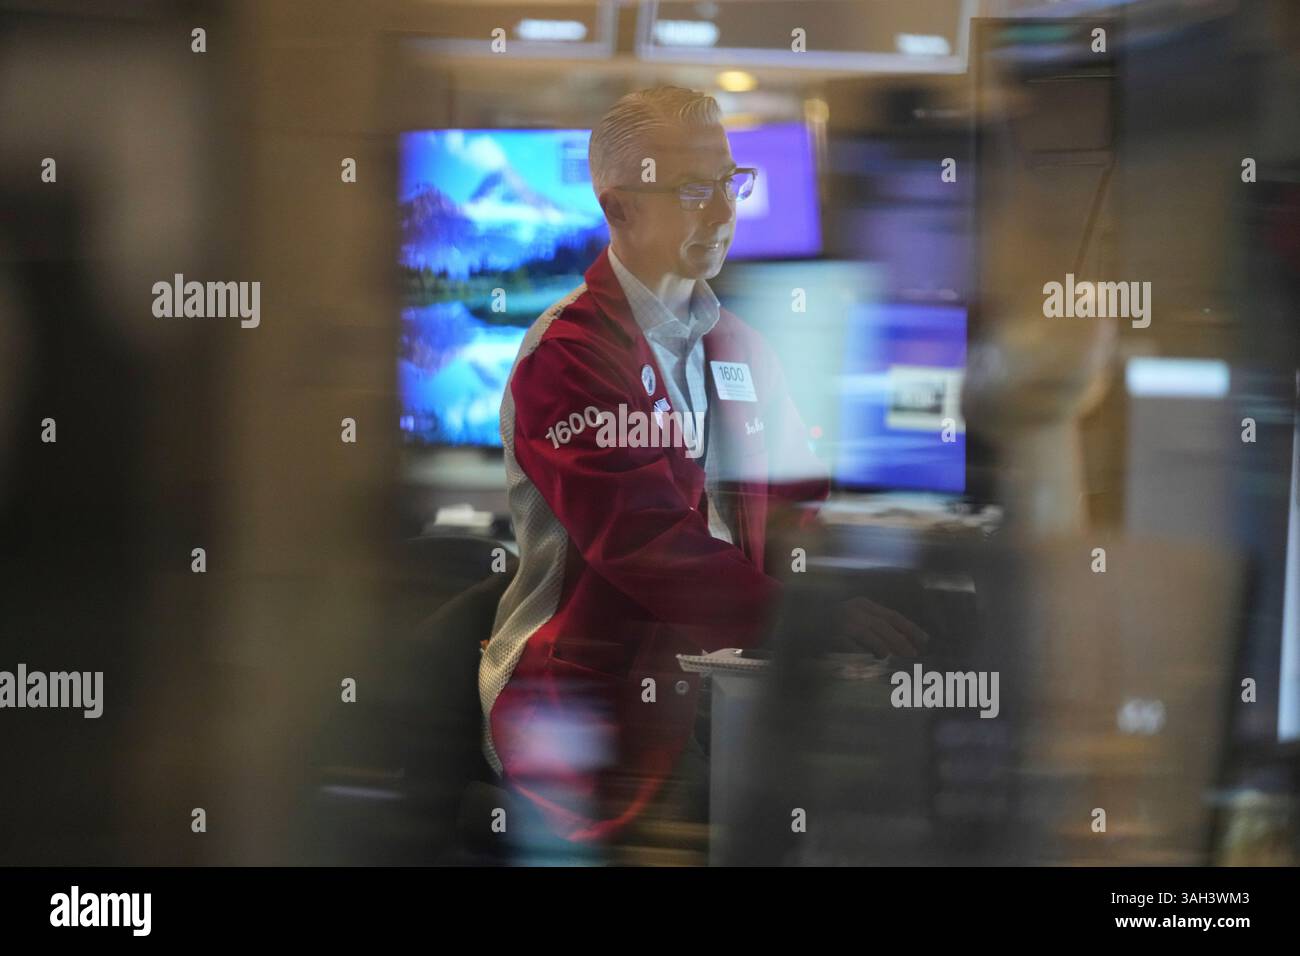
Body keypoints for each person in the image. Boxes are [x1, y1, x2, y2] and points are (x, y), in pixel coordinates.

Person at [477, 86, 926, 848]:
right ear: (618, 211)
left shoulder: (740, 346)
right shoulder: (569, 357)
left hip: (729, 682)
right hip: (590, 704)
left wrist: (866, 569)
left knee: (888, 783)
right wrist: (805, 620)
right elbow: (648, 544)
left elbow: (794, 504)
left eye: (730, 182)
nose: (723, 212)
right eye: (692, 190)